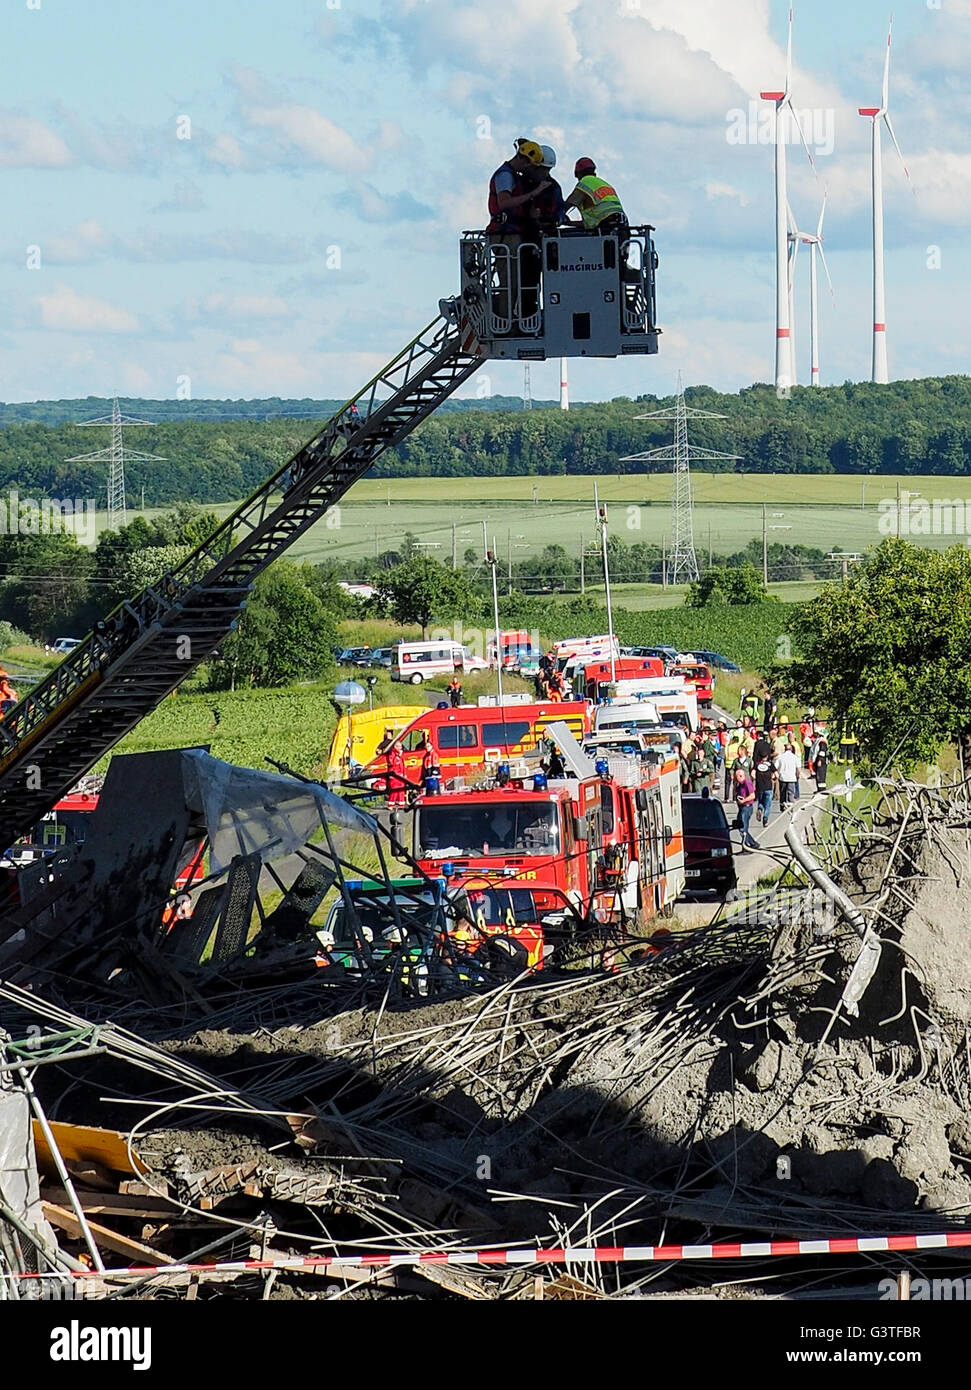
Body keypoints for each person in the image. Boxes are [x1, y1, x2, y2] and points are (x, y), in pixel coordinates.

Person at [487, 138, 550, 325]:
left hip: (513, 233)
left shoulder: (512, 175)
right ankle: (505, 323)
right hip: (505, 235)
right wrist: (533, 193)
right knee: (510, 284)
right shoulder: (505, 175)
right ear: (524, 160)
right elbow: (504, 202)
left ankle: (509, 321)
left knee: (517, 282)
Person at [564, 157, 628, 236]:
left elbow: (567, 205)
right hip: (622, 227)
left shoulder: (585, 183)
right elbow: (592, 224)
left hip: (607, 227)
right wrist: (569, 223)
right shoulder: (604, 184)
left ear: (577, 174)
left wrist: (556, 216)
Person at [526, 145, 566, 237]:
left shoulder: (554, 187)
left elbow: (561, 208)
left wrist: (558, 218)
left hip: (549, 234)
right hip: (526, 233)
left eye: (548, 169)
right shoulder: (522, 183)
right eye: (543, 168)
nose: (545, 172)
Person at [733, 765, 759, 851]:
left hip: (747, 807)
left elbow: (752, 795)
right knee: (741, 827)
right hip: (741, 808)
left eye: (736, 777)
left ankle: (747, 846)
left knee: (742, 828)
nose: (736, 779)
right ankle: (753, 843)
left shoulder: (747, 783)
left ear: (741, 776)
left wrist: (743, 801)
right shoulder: (739, 785)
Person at [753, 749, 777, 827]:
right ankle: (765, 818)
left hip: (760, 787)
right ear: (767, 756)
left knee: (760, 801)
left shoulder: (756, 764)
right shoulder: (770, 764)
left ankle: (760, 808)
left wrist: (756, 779)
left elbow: (752, 774)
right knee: (768, 805)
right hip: (768, 786)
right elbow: (776, 774)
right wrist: (773, 779)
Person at [776, 742, 800, 810]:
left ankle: (782, 805)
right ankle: (790, 806)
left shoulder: (780, 757)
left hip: (783, 778)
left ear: (785, 749)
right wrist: (798, 775)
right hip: (792, 778)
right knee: (791, 793)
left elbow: (776, 766)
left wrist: (777, 774)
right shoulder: (795, 757)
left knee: (782, 792)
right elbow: (798, 768)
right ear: (791, 749)